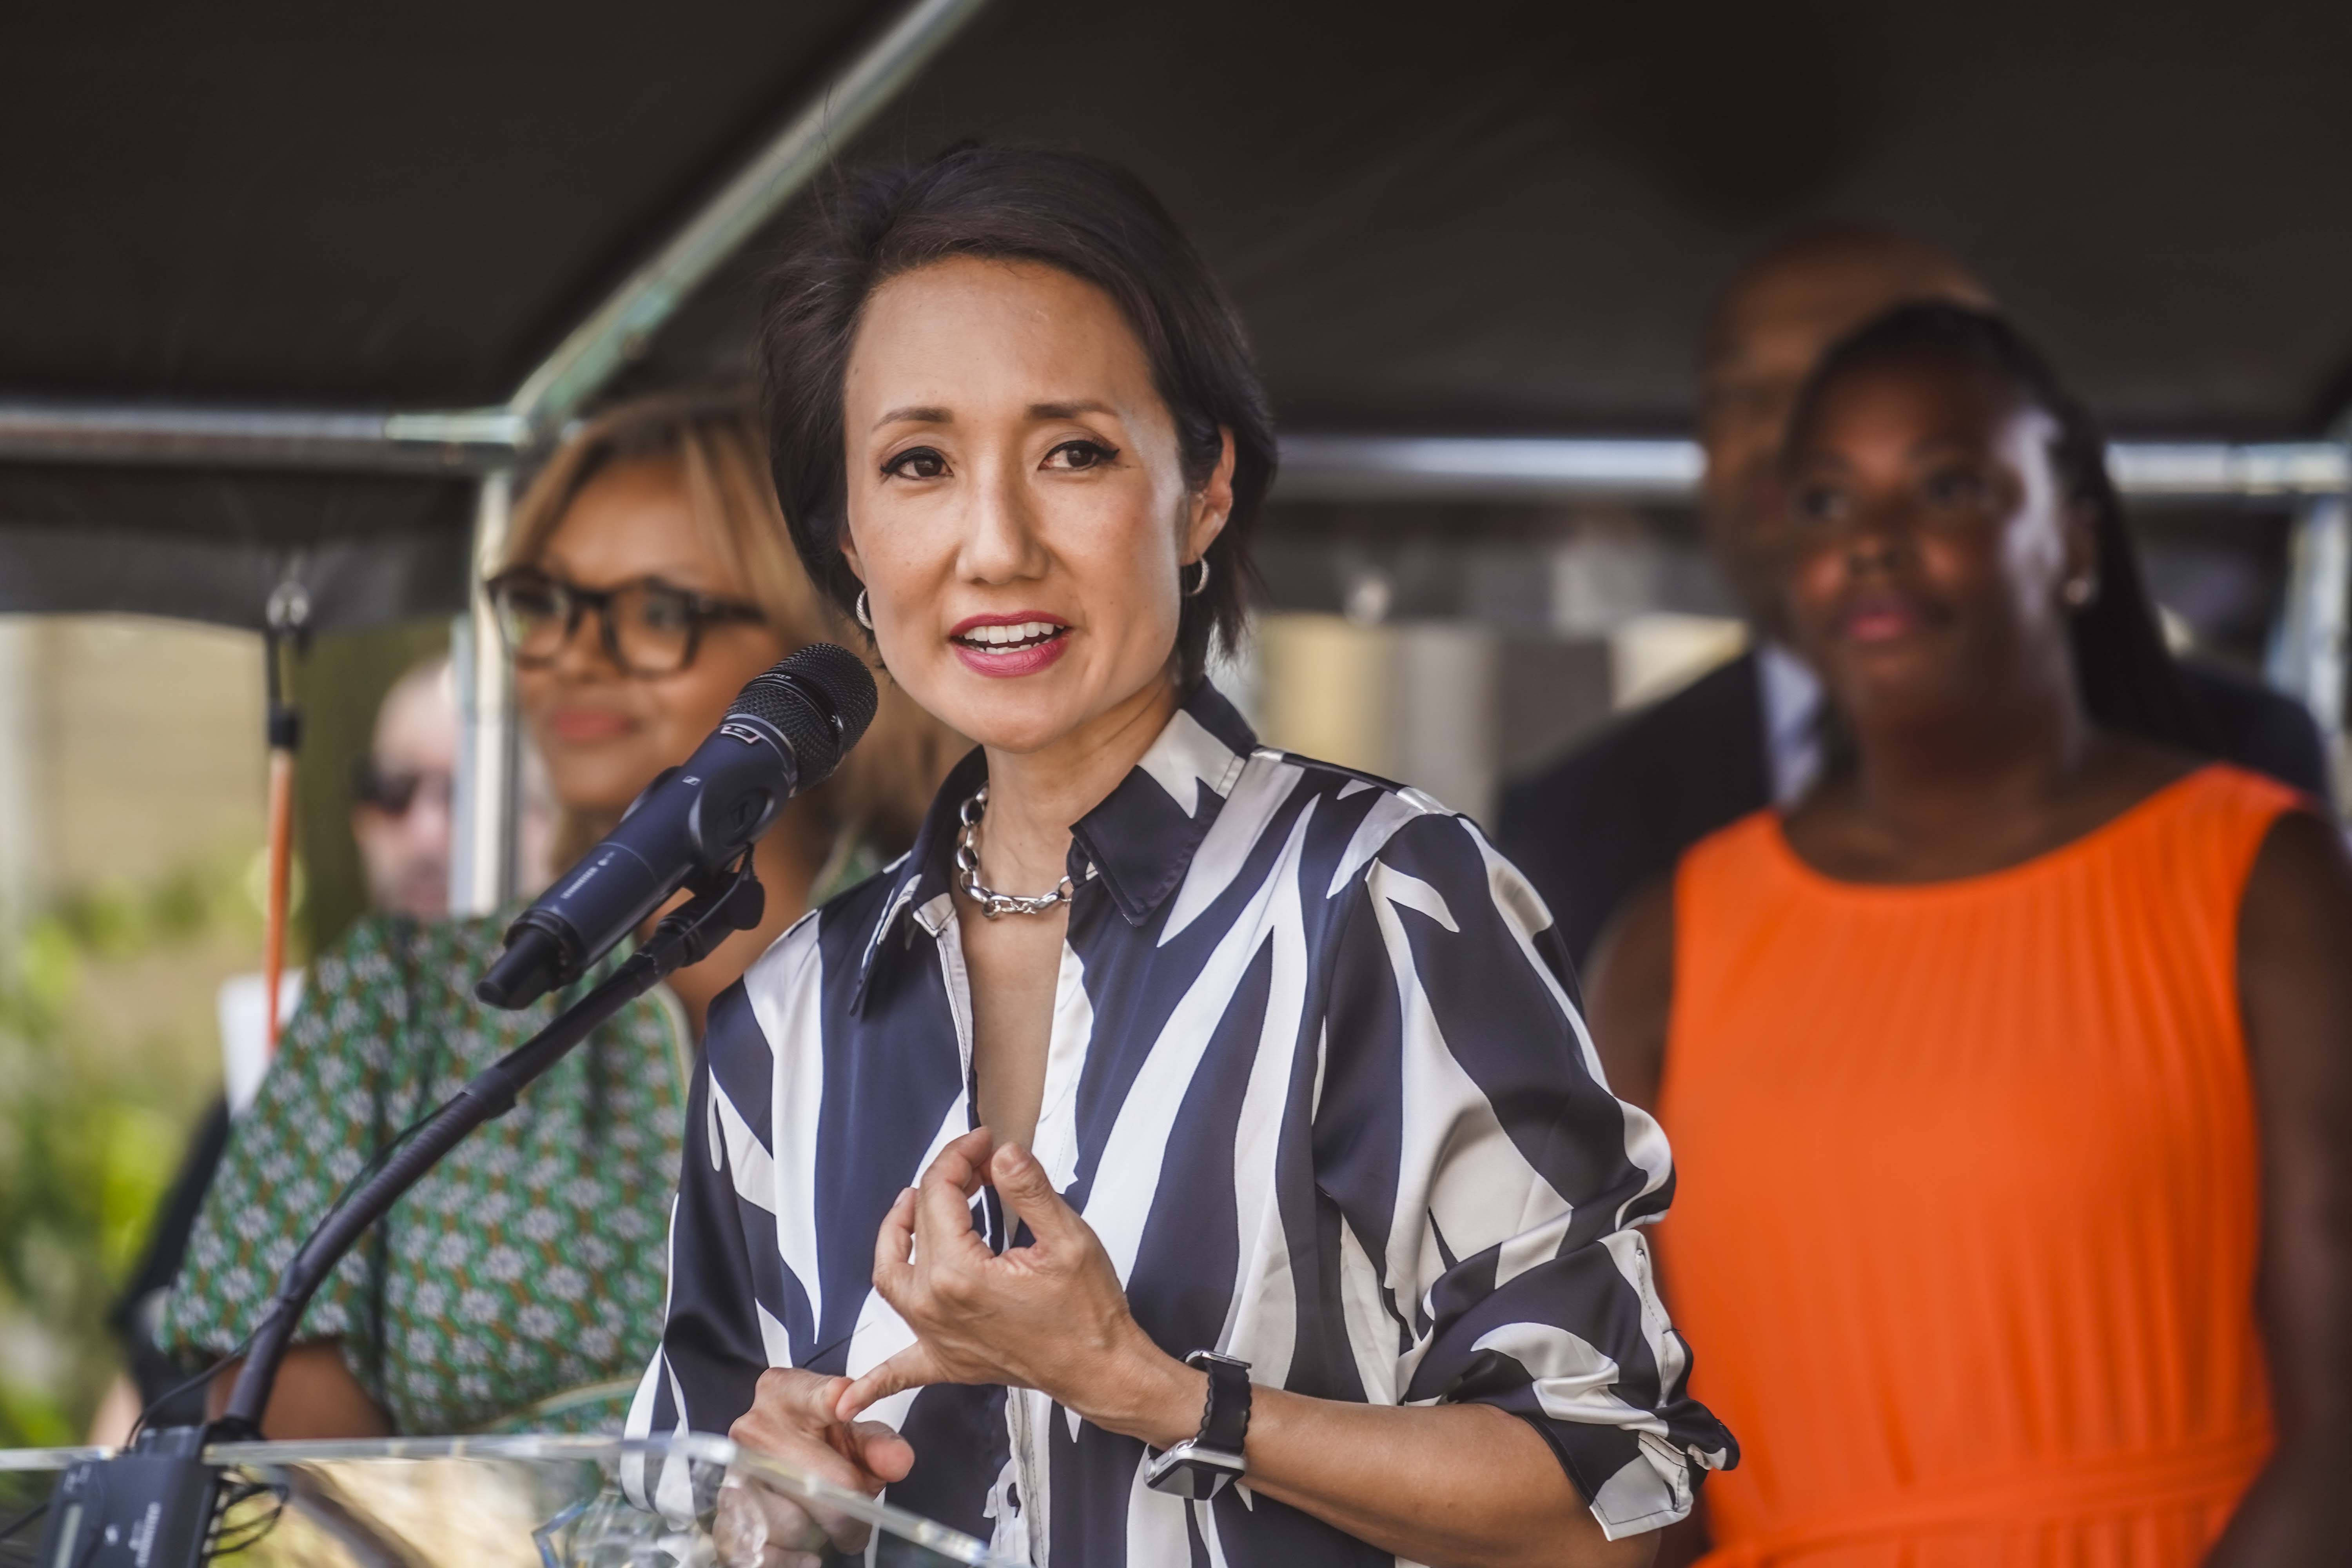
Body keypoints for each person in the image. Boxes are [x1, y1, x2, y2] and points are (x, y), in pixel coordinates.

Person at [625, 145, 1733, 1568]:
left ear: (1203, 487)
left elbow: (1612, 1509)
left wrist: (1139, 1385)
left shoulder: (1376, 904)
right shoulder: (785, 1022)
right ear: (848, 536)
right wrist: (763, 1514)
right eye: (918, 464)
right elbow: (669, 1511)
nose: (996, 543)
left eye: (1073, 452)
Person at [1586, 303, 2352, 1566]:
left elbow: (2341, 1431)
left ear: (2075, 547)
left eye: (1948, 487)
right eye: (1825, 505)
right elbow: (1622, 1460)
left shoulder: (2265, 876)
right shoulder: (1670, 940)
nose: (1876, 545)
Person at [157, 390, 951, 1439]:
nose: (576, 652)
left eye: (660, 611)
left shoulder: (956, 962)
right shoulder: (408, 993)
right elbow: (278, 1414)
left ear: (820, 648)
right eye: (547, 601)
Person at [1499, 225, 2334, 972]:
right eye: (1737, 395)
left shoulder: (2249, 782)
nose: (1776, 438)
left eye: (1847, 375)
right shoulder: (1578, 830)